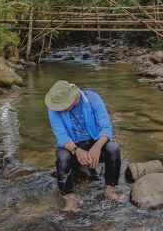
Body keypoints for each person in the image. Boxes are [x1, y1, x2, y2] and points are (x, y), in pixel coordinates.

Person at [45, 80, 125, 212]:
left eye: (64, 106)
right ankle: (69, 196)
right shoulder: (54, 107)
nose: (60, 109)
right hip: (72, 146)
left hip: (94, 141)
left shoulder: (93, 98)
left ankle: (110, 190)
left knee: (113, 148)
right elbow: (61, 136)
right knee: (62, 156)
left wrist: (97, 147)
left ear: (74, 97)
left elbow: (106, 127)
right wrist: (76, 150)